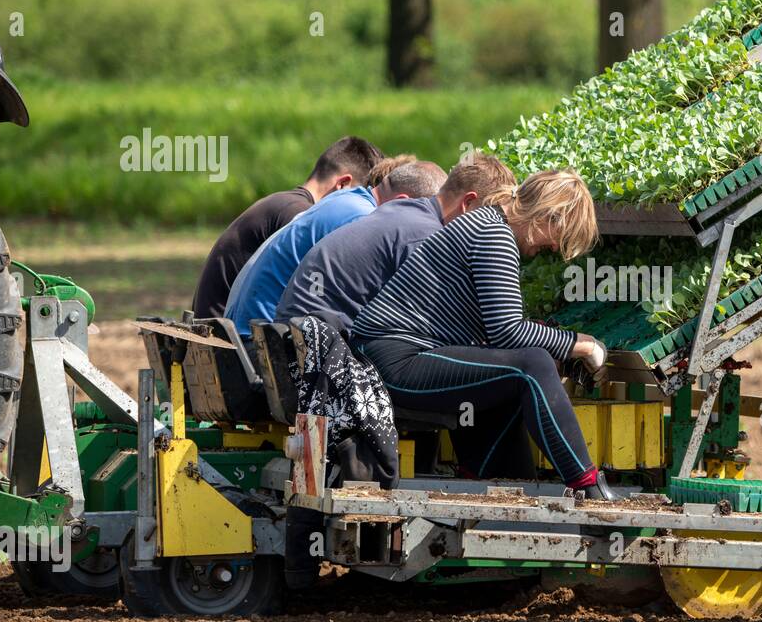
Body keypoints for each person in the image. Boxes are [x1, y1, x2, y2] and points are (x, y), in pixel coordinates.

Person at [351, 167, 617, 500]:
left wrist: (555, 341)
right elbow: (508, 333)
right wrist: (584, 345)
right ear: (550, 216)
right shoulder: (494, 234)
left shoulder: (487, 223)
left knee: (507, 380)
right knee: (532, 365)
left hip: (388, 355)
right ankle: (587, 486)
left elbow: (497, 334)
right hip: (397, 361)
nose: (551, 248)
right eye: (558, 238)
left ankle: (499, 490)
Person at [275, 152, 516, 333]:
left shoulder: (405, 208)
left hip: (296, 334)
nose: (489, 230)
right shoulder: (426, 237)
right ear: (468, 204)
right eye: (487, 217)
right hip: (315, 353)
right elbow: (429, 325)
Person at [224, 155, 436, 338]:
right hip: (264, 340)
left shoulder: (346, 197)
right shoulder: (362, 218)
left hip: (251, 330)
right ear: (401, 202)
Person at [190, 136, 386, 318]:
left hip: (215, 330)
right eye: (360, 195)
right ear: (343, 184)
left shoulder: (283, 203)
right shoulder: (298, 216)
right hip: (228, 339)